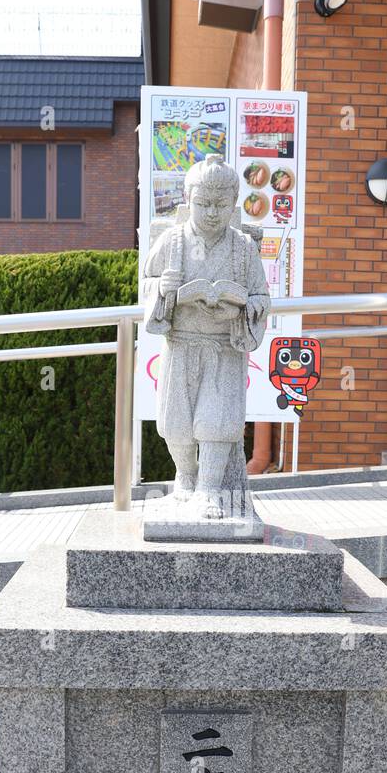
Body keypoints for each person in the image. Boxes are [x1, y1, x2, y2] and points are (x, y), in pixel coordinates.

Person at [143, 155, 271, 519]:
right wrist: (169, 292)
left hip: (223, 347)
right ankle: (185, 477)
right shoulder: (172, 242)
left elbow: (262, 296)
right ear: (189, 200)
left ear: (233, 204)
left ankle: (209, 490)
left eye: (220, 205)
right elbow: (147, 287)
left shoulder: (243, 248)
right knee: (175, 422)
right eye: (203, 204)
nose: (212, 213)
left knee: (217, 421)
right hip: (182, 343)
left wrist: (244, 304)